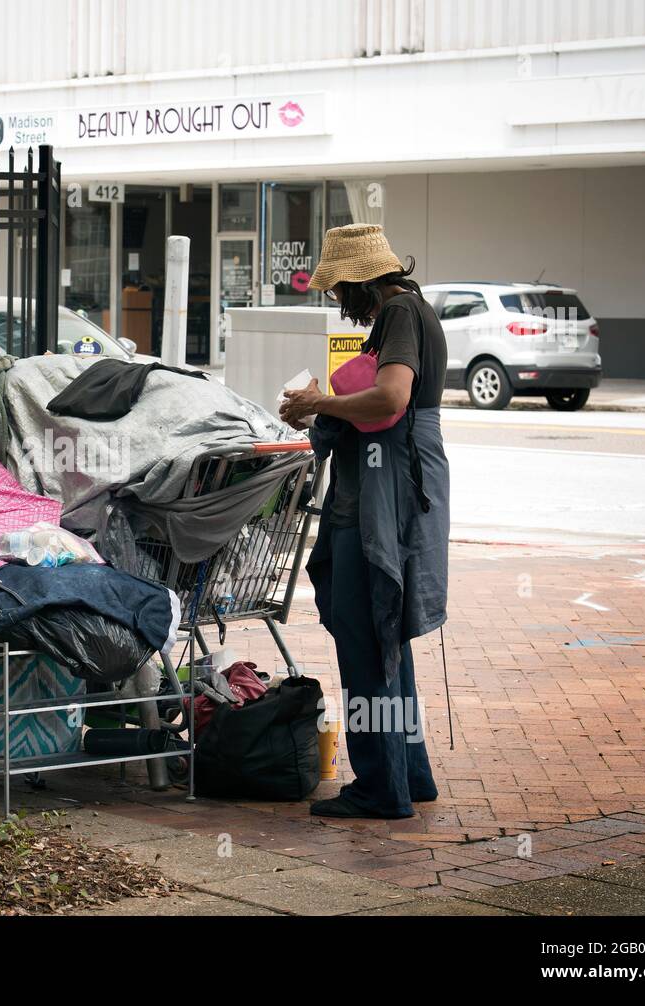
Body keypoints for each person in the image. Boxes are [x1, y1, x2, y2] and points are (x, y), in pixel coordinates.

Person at [279, 223, 450, 819]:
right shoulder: (410, 309)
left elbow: (390, 399)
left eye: (337, 289)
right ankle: (407, 775)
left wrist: (319, 404)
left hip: (383, 488)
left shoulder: (400, 312)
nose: (337, 301)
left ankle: (378, 787)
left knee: (362, 634)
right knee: (384, 636)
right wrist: (323, 411)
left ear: (356, 280)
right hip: (392, 477)